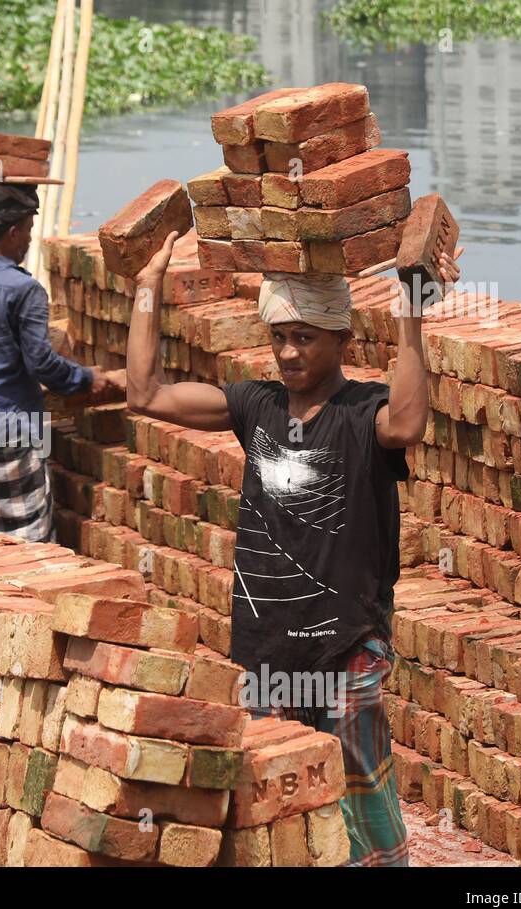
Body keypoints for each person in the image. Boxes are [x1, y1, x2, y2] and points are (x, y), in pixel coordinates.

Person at [124, 228, 461, 867]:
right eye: (278, 337)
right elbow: (147, 395)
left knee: (364, 801)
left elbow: (411, 424)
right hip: (267, 648)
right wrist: (148, 288)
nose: (287, 352)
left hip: (346, 647)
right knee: (283, 807)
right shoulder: (256, 405)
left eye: (304, 337)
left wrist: (411, 314)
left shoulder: (364, 411)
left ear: (342, 339)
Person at [0, 181, 115, 542]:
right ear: (14, 231)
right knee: (27, 536)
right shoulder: (24, 290)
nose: (30, 241)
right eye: (29, 231)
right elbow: (41, 362)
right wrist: (84, 378)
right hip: (6, 424)